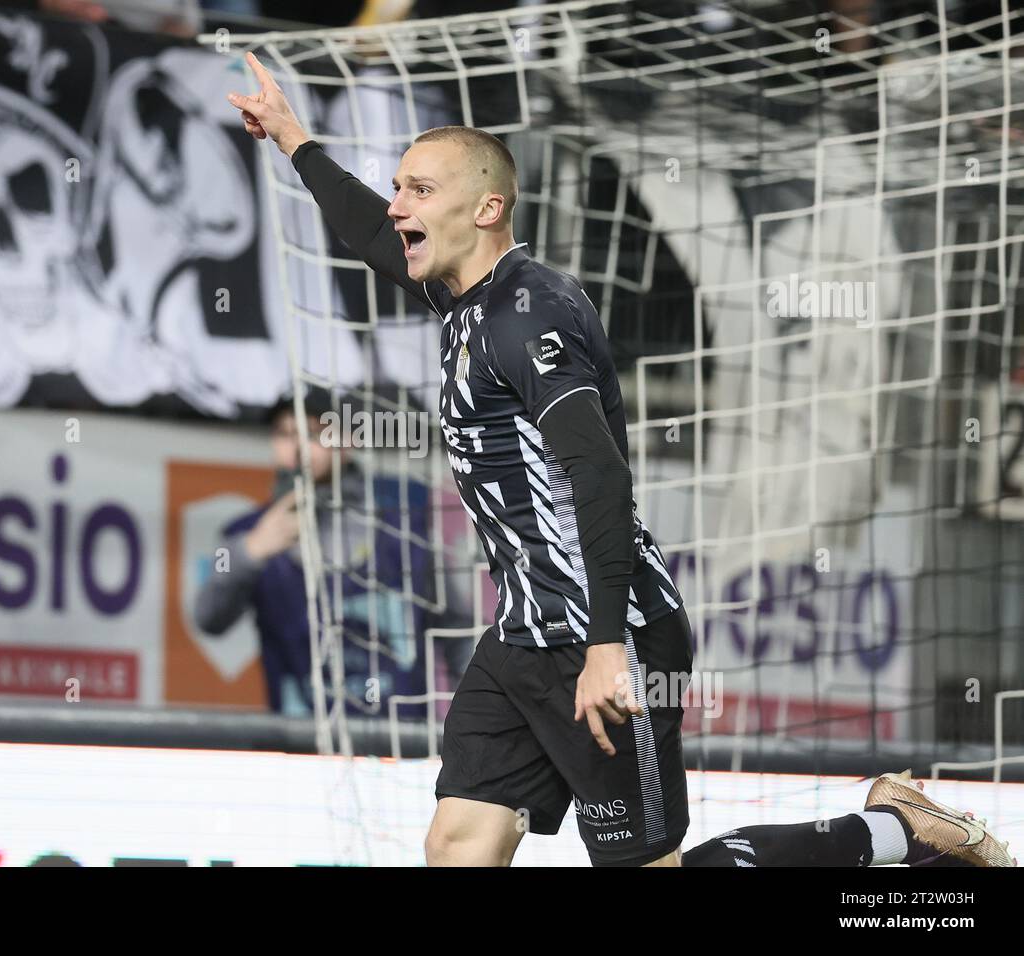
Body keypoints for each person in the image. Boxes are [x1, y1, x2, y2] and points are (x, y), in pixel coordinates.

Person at [225, 52, 1015, 868]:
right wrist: (293, 140)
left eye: (419, 190)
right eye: (398, 187)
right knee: (458, 846)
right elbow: (367, 234)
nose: (397, 207)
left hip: (610, 634)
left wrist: (606, 646)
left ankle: (892, 830)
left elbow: (598, 475)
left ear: (488, 207)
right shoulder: (463, 296)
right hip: (524, 634)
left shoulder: (531, 320)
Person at [195, 387, 473, 717]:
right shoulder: (245, 534)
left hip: (401, 739)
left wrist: (479, 719)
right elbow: (208, 618)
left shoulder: (402, 529)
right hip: (300, 745)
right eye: (285, 434)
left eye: (313, 433)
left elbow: (459, 636)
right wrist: (250, 552)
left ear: (346, 442)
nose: (297, 447)